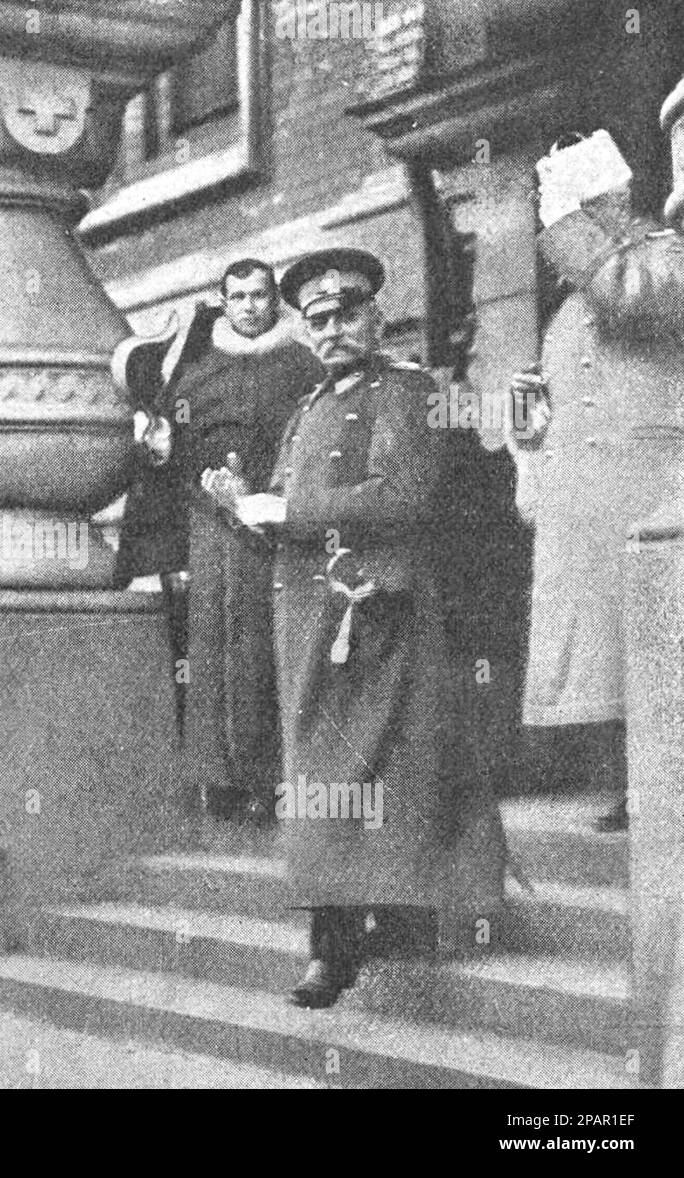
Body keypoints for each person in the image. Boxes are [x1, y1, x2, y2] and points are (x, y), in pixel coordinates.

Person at [204, 248, 506, 1008]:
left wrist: (290, 512)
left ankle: (349, 943)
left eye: (345, 313)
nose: (332, 328)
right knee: (323, 782)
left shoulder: (403, 392)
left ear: (375, 315)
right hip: (311, 618)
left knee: (378, 776)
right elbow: (284, 508)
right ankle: (341, 937)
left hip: (375, 614)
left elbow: (402, 495)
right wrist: (246, 502)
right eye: (317, 318)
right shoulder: (307, 407)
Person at [506, 129, 684, 833]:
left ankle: (666, 781)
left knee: (657, 636)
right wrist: (535, 425)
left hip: (648, 478)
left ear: (610, 202)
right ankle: (634, 783)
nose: (559, 227)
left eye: (575, 209)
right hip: (586, 490)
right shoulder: (574, 295)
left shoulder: (666, 255)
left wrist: (568, 230)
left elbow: (636, 300)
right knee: (602, 649)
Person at [117, 258, 324, 823]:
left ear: (275, 301)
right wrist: (161, 448)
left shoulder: (302, 362)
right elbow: (170, 439)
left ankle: (269, 780)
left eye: (260, 296)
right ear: (224, 301)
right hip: (210, 528)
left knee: (264, 650)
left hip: (272, 527)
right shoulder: (199, 367)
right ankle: (217, 780)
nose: (249, 307)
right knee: (210, 651)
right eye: (238, 297)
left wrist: (264, 496)